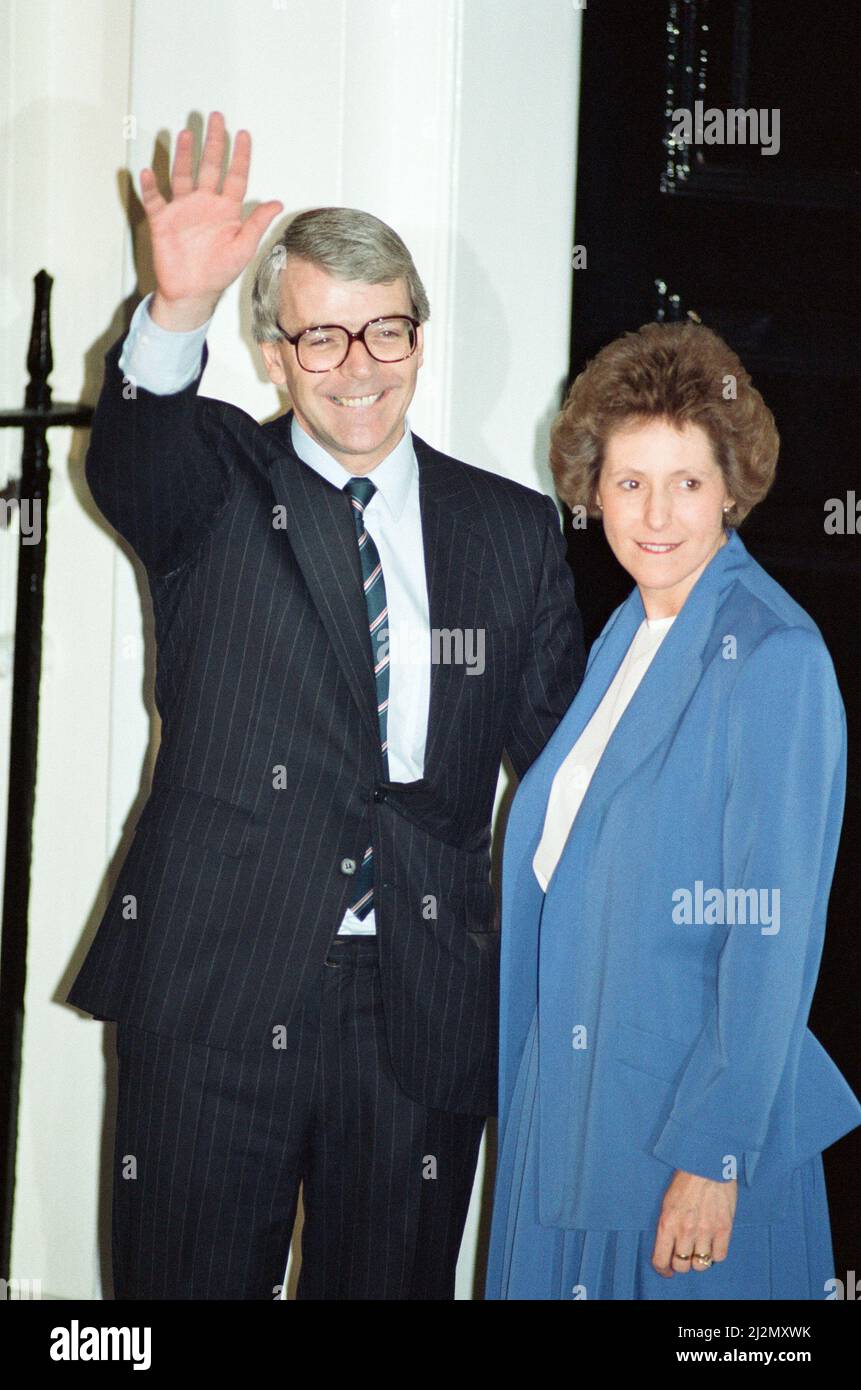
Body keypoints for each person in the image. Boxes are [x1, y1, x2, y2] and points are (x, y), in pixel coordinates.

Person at [66, 112, 585, 1300]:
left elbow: (561, 770)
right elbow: (128, 464)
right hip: (216, 991)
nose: (360, 364)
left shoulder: (508, 531)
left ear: (418, 331)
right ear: (275, 350)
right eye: (323, 336)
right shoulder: (214, 487)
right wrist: (175, 309)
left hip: (417, 1004)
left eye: (386, 328)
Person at [485, 320, 861, 1300]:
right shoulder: (627, 631)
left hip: (680, 1151)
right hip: (574, 1122)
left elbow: (768, 932)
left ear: (732, 487)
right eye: (628, 480)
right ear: (591, 486)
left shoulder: (774, 653)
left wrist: (716, 1153)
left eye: (686, 482)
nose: (654, 513)